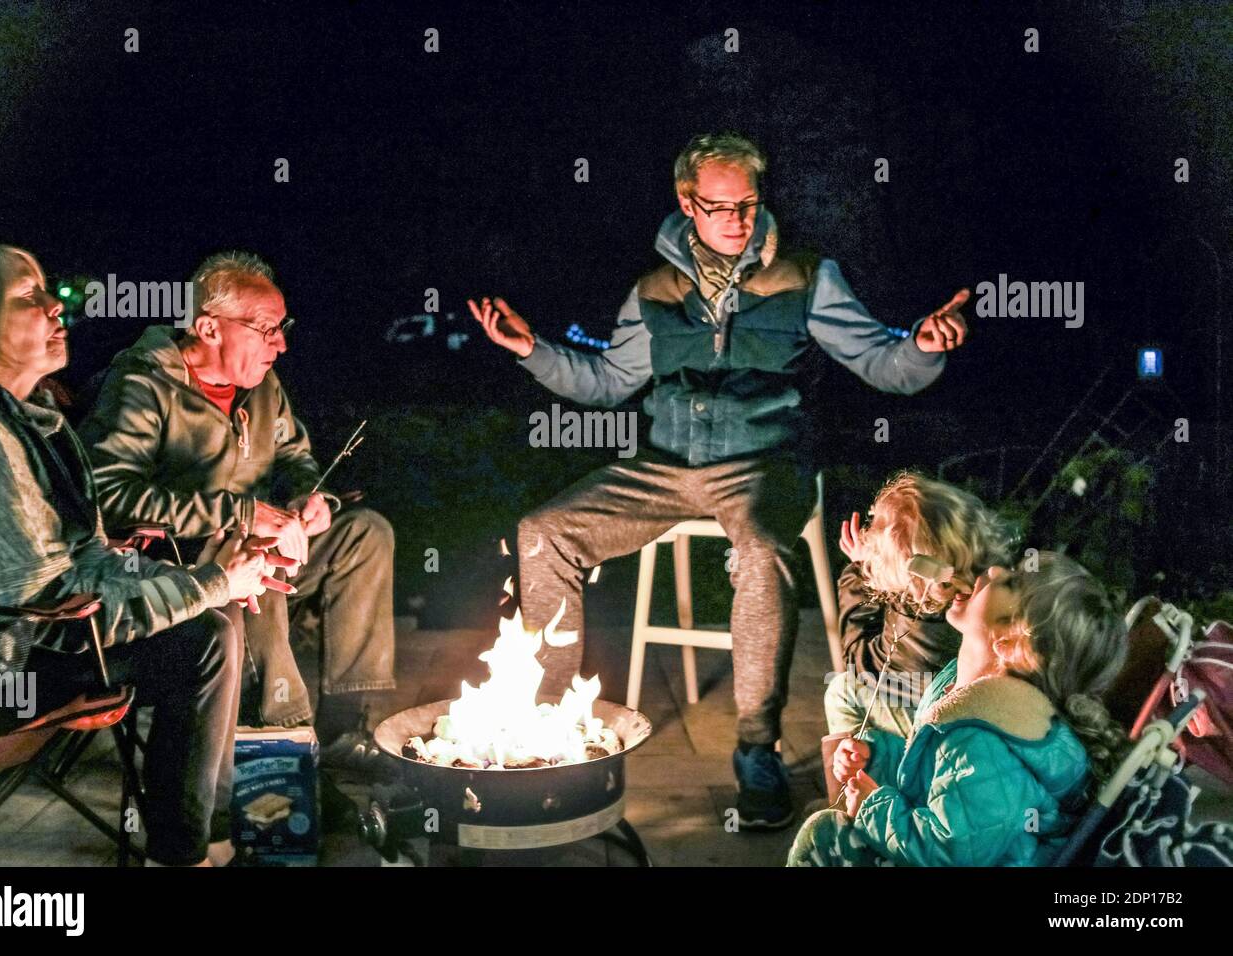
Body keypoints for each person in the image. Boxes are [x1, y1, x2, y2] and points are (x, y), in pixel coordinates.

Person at [469, 132, 971, 828]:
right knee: (543, 532)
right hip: (665, 469)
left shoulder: (805, 276)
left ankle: (755, 749)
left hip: (763, 464)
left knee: (761, 555)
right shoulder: (654, 289)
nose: (738, 221)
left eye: (749, 205)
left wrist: (921, 346)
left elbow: (882, 363)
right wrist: (532, 350)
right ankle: (550, 723)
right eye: (720, 207)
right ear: (686, 203)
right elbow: (607, 381)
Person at [0, 239, 291, 866]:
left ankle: (210, 826)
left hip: (28, 636)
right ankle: (186, 852)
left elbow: (87, 558)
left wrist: (223, 574)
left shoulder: (25, 417)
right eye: (28, 296)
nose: (54, 306)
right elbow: (49, 613)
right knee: (203, 638)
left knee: (215, 618)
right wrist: (209, 583)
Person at [78, 252, 395, 770]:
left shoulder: (262, 384)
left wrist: (310, 499)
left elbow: (295, 456)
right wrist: (241, 514)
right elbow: (108, 494)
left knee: (365, 533)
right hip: (179, 570)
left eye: (282, 327)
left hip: (266, 545)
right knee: (253, 557)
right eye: (267, 328)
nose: (282, 343)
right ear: (208, 327)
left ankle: (342, 731)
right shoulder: (143, 385)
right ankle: (278, 747)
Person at [787, 553, 1129, 866]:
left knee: (822, 836)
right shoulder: (964, 691)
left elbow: (951, 853)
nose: (993, 569)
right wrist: (874, 755)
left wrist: (873, 808)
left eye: (1010, 581)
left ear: (1017, 644)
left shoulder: (985, 741)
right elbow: (931, 773)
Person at [818, 472, 1011, 804]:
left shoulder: (919, 613)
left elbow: (860, 660)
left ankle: (848, 803)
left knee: (843, 690)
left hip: (937, 718)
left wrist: (857, 573)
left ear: (916, 574)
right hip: (970, 708)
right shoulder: (986, 585)